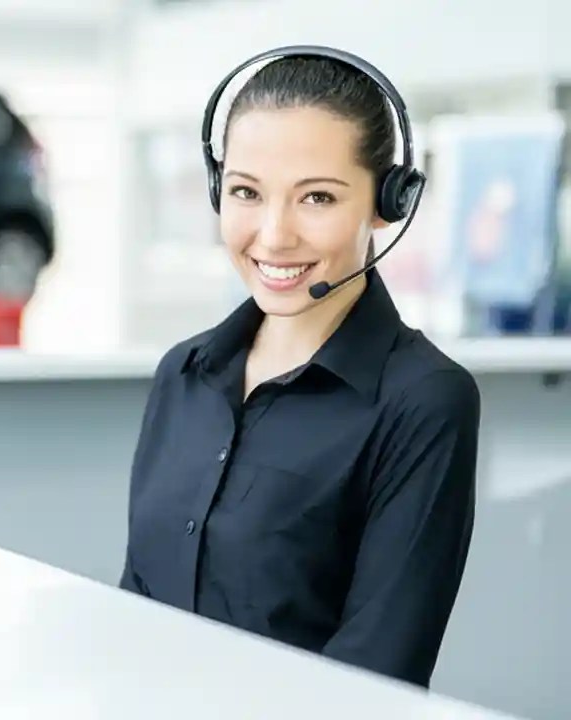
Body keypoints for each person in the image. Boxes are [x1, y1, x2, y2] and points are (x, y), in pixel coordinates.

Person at [118, 46, 481, 689]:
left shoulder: (424, 400)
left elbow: (378, 676)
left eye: (316, 197)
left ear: (387, 202)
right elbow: (133, 610)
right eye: (246, 192)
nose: (275, 234)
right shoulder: (185, 373)